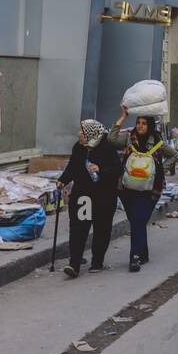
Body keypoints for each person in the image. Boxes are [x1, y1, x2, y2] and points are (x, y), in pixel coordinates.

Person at [60, 118, 121, 277]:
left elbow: (117, 169)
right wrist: (62, 180)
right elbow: (72, 167)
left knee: (101, 229)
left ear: (90, 133)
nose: (79, 133)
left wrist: (101, 169)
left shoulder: (107, 148)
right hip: (83, 197)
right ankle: (74, 263)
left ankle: (97, 261)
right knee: (78, 229)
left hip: (103, 198)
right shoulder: (79, 148)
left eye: (82, 131)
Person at [118, 113, 166, 272]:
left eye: (144, 123)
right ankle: (143, 253)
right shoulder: (129, 138)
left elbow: (174, 155)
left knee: (138, 220)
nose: (140, 126)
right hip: (128, 188)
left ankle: (135, 257)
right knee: (136, 221)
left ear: (150, 125)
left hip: (149, 189)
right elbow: (112, 139)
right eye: (138, 122)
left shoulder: (157, 141)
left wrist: (159, 170)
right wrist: (122, 118)